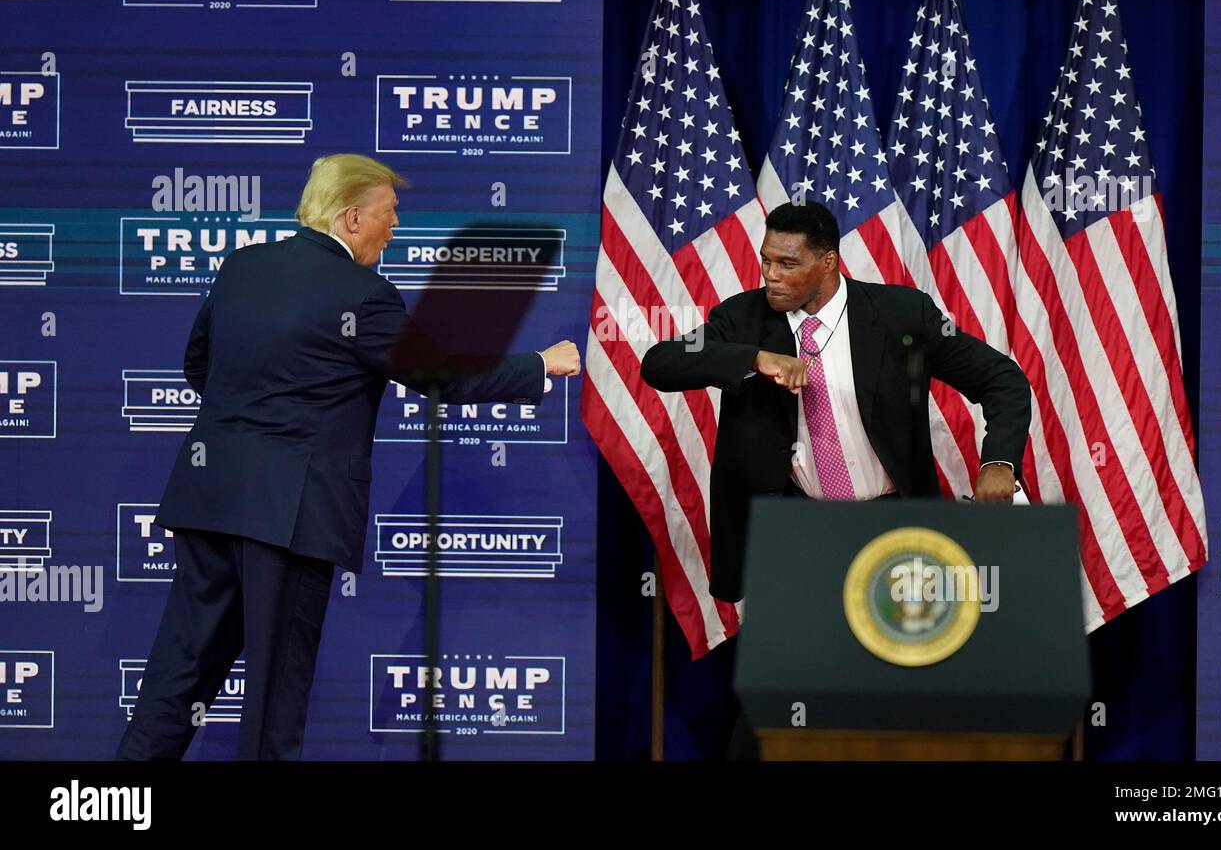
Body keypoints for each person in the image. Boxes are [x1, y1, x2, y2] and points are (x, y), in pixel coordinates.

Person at [116, 153, 580, 760]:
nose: (395, 227)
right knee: (274, 701)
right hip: (290, 518)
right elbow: (442, 376)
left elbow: (199, 366)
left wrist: (256, 427)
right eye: (389, 213)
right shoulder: (362, 294)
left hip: (209, 502)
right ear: (353, 215)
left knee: (175, 681)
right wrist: (538, 367)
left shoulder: (243, 267)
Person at [640, 201, 1031, 605]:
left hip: (893, 524)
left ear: (828, 262)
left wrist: (998, 462)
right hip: (794, 531)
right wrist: (755, 358)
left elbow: (1002, 379)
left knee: (899, 659)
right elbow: (659, 364)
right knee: (801, 663)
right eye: (766, 260)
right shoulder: (742, 319)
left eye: (787, 264)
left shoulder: (901, 315)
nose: (771, 276)